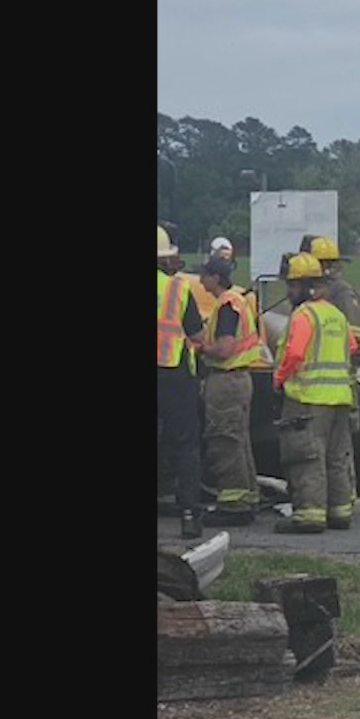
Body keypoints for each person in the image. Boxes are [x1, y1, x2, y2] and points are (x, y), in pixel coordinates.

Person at [271, 253, 357, 534]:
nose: (289, 292)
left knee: (306, 458)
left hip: (308, 398)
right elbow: (353, 347)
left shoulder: (304, 315)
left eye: (293, 286)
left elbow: (295, 352)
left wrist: (280, 379)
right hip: (340, 399)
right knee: (335, 458)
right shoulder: (336, 314)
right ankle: (339, 511)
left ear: (306, 287)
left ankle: (309, 515)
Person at [197, 255, 265, 526]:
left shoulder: (227, 304)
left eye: (204, 275)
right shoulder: (239, 300)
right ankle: (247, 497)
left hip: (226, 380)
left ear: (215, 277)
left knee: (225, 440)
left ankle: (233, 505)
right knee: (239, 440)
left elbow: (224, 348)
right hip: (240, 379)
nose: (201, 279)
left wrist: (201, 347)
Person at [157, 226, 210, 539]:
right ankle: (189, 515)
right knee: (185, 444)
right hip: (174, 374)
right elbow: (198, 337)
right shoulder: (178, 290)